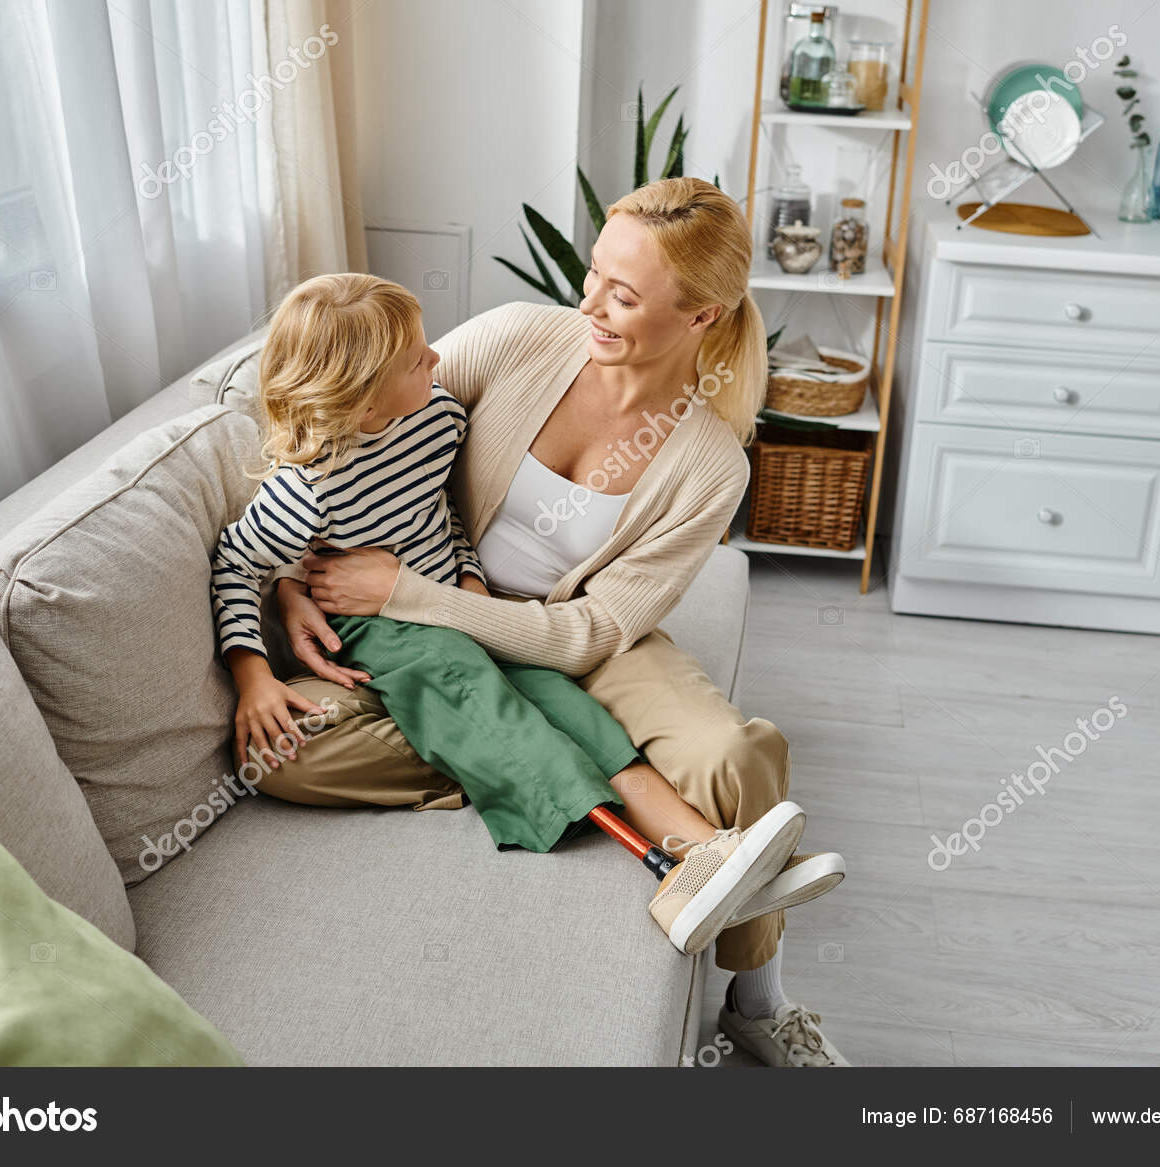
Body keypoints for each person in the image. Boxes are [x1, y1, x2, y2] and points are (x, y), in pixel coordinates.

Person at [260, 179, 850, 1067]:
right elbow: (335, 410)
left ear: (700, 316)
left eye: (623, 293)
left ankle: (757, 998)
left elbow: (586, 635)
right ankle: (565, 773)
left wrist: (408, 595)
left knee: (736, 757)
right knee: (283, 750)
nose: (590, 304)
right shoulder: (516, 338)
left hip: (573, 635)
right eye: (593, 273)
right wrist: (290, 582)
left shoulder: (708, 464)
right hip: (431, 626)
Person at [211, 271, 814, 957]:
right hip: (381, 627)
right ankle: (653, 842)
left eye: (623, 293)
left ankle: (703, 856)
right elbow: (238, 560)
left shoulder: (436, 421)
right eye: (418, 358)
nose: (437, 358)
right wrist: (257, 662)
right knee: (462, 696)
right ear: (367, 402)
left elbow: (440, 515)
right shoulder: (307, 493)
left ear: (700, 315)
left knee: (559, 699)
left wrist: (463, 577)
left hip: (489, 614)